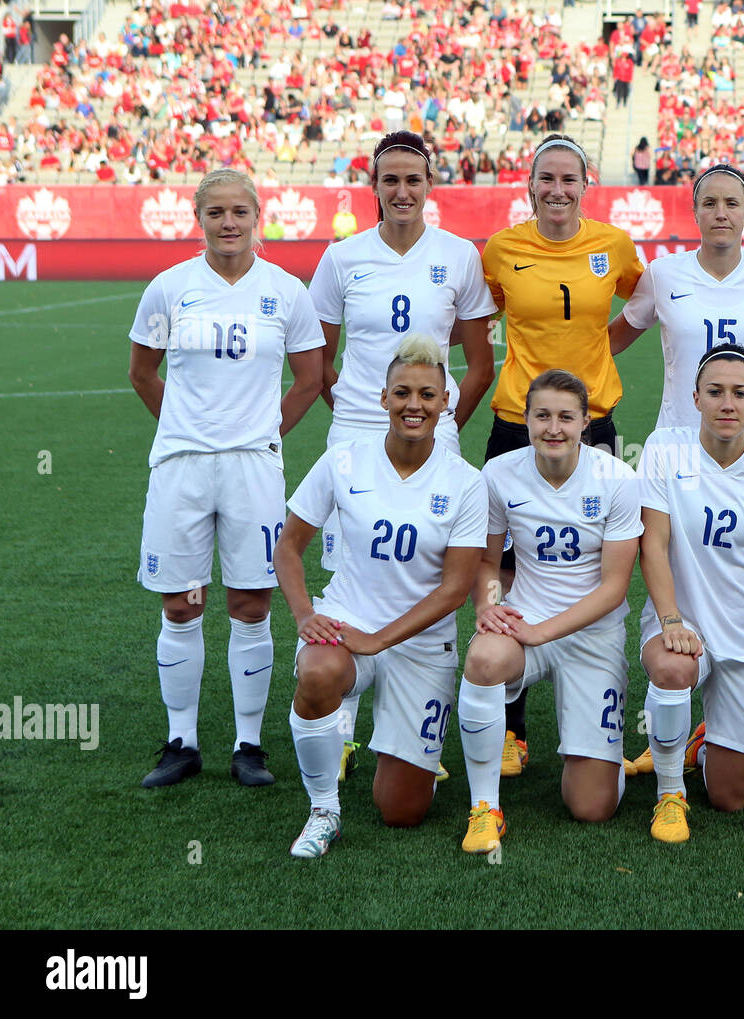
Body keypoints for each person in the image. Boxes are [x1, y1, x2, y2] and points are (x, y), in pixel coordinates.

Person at [128, 168, 324, 789]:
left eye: (240, 211)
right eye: (216, 213)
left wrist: (264, 434)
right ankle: (181, 741)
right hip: (182, 467)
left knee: (250, 602)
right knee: (182, 604)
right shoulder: (168, 288)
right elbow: (141, 371)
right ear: (199, 219)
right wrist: (185, 428)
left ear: (257, 216)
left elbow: (311, 379)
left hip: (253, 469)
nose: (229, 223)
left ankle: (247, 745)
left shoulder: (287, 292)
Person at [310, 131, 497, 779]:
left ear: (428, 185)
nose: (402, 191)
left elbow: (479, 365)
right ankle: (337, 730)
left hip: (430, 432)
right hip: (358, 436)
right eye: (389, 180)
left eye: (412, 179)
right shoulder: (341, 259)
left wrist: (444, 422)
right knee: (349, 575)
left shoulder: (459, 257)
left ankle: (412, 722)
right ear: (374, 187)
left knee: (424, 573)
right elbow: (317, 359)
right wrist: (355, 420)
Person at [611, 162, 744, 773]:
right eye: (711, 202)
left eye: (733, 203)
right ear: (695, 211)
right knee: (672, 563)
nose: (722, 212)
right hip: (675, 440)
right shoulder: (663, 275)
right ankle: (667, 724)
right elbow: (618, 334)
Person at [274, 336, 487, 857]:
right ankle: (324, 809)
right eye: (402, 393)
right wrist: (306, 615)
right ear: (384, 398)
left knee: (402, 812)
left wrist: (380, 640)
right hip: (348, 620)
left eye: (427, 395)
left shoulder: (466, 483)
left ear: (445, 403)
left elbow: (456, 589)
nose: (414, 405)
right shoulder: (343, 461)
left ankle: (397, 746)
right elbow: (288, 548)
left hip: (419, 642)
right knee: (320, 671)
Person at [481, 133, 643, 772]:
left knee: (593, 558)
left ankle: (594, 681)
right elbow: (483, 317)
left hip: (593, 421)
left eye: (568, 180)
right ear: (530, 185)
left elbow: (642, 304)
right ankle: (510, 724)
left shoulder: (613, 245)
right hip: (517, 421)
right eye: (545, 179)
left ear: (586, 183)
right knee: (511, 566)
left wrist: (601, 354)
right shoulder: (501, 250)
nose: (557, 190)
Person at [456, 371, 642, 853]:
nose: (553, 428)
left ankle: (602, 750)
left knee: (591, 808)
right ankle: (484, 808)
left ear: (586, 422)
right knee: (483, 659)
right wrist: (488, 606)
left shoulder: (618, 479)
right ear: (526, 419)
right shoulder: (499, 473)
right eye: (542, 416)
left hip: (592, 634)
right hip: (524, 621)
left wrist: (543, 632)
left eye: (566, 417)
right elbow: (487, 561)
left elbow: (614, 588)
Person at [636, 344, 744, 842]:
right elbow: (654, 545)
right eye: (715, 392)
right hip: (681, 623)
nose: (727, 403)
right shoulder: (664, 449)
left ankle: (704, 743)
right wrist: (670, 621)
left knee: (730, 798)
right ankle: (669, 794)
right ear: (696, 398)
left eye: (739, 393)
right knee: (672, 667)